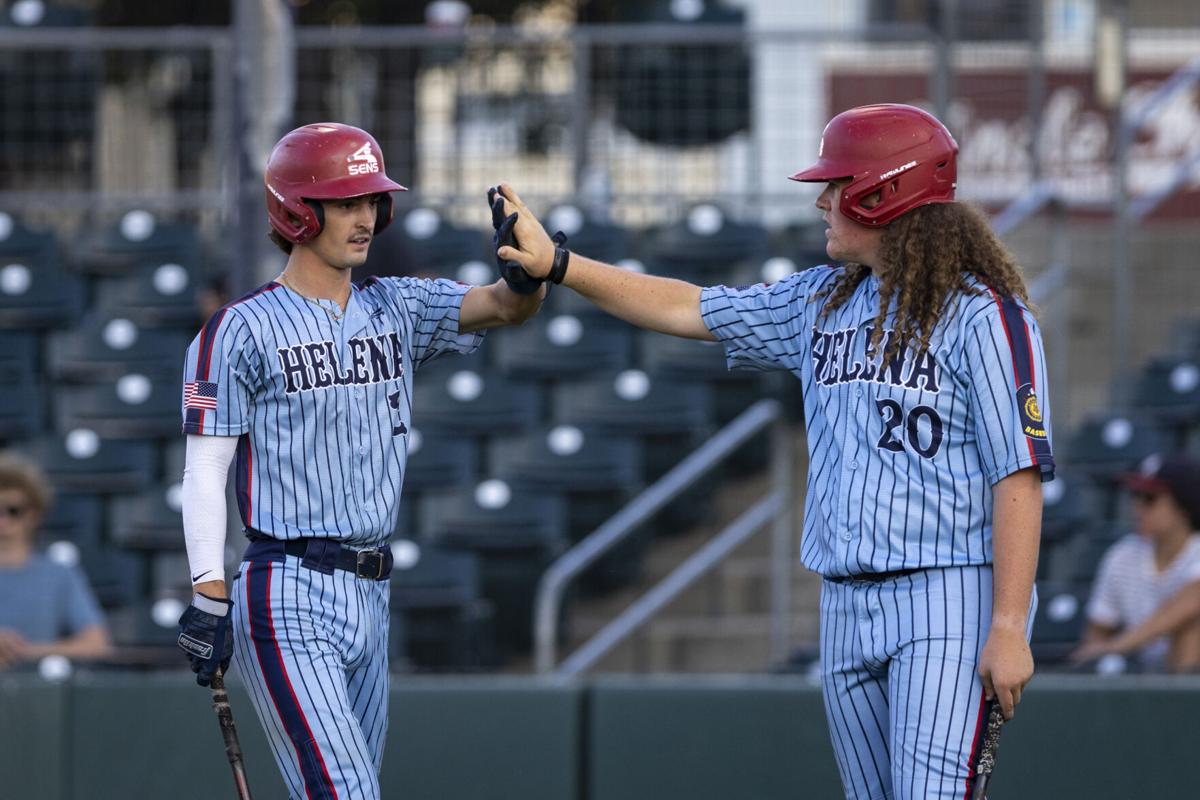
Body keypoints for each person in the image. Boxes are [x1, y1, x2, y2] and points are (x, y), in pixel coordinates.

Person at [491, 103, 1053, 799]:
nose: (821, 199)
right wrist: (561, 266)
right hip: (846, 602)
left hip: (946, 598)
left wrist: (1007, 623)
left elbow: (1019, 476)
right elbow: (687, 307)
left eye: (836, 184)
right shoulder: (821, 300)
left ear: (883, 193)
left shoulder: (986, 315)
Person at [174, 122, 546, 799]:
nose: (365, 216)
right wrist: (207, 587)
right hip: (287, 584)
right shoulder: (239, 329)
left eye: (371, 200)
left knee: (349, 787)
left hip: (372, 587)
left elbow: (504, 308)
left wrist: (529, 276)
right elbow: (204, 469)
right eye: (345, 202)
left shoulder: (396, 304)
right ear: (296, 211)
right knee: (345, 789)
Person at [1070, 454, 1200, 672]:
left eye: (1149, 498)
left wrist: (1116, 647)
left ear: (1183, 506)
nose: (1137, 506)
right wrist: (1106, 651)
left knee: (1191, 629)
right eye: (1135, 495)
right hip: (1137, 672)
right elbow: (1095, 637)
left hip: (1189, 679)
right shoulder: (1122, 555)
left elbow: (1191, 602)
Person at [0, 453, 111, 670]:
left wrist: (24, 652)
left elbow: (97, 643)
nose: (3, 521)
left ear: (33, 515)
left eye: (13, 511)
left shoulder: (58, 575)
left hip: (36, 692)